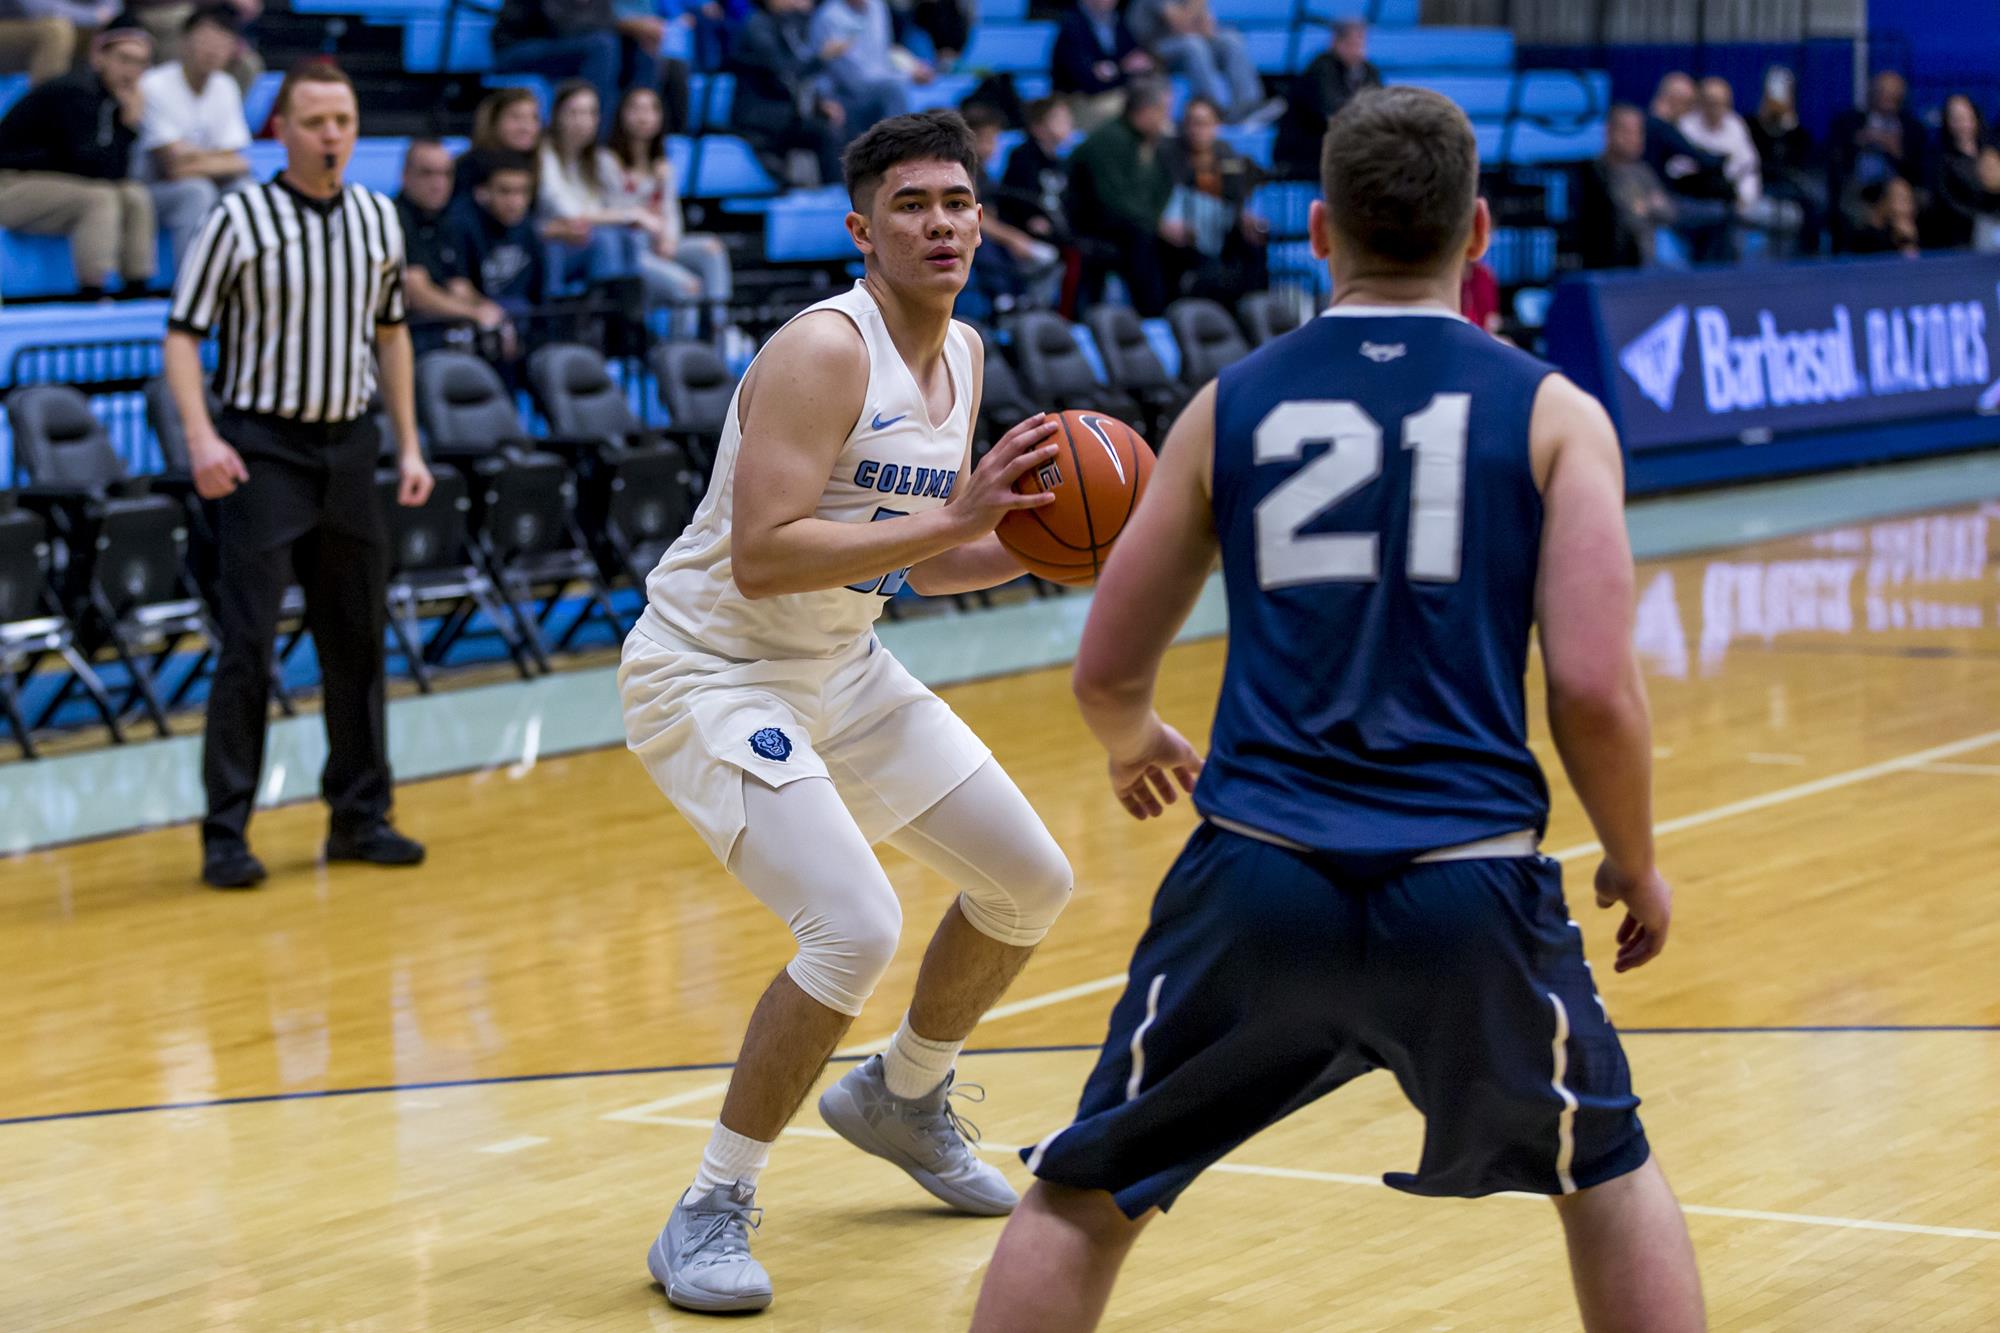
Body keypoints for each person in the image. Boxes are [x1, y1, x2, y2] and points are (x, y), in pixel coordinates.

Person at [968, 85, 1707, 1333]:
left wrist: (1133, 739)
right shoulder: (1552, 414)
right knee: (1604, 1176)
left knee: (1078, 1195)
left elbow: (1103, 669)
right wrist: (1633, 861)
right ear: (1477, 234)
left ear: (1316, 229)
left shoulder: (1229, 404)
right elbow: (1589, 686)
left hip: (1259, 879)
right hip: (1465, 883)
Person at [619, 108, 1076, 1314]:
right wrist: (965, 516)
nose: (941, 223)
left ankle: (903, 1094)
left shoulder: (963, 353)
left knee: (1030, 879)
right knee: (853, 927)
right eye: (913, 204)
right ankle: (709, 1206)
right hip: (710, 669)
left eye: (959, 202)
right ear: (860, 228)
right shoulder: (826, 349)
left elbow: (914, 563)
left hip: (842, 660)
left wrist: (1052, 551)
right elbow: (766, 555)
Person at [164, 61, 433, 890]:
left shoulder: (377, 218)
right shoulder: (238, 218)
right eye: (314, 121)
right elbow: (182, 336)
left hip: (349, 446)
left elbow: (391, 335)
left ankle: (360, 814)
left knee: (356, 637)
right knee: (248, 644)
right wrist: (202, 439)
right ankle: (224, 832)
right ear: (280, 129)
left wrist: (409, 445)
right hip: (262, 449)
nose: (331, 135)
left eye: (343, 119)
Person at [0, 27, 155, 300]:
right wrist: (129, 126)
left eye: (140, 63)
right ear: (99, 56)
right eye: (124, 59)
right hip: (11, 184)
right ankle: (92, 293)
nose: (131, 71)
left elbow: (116, 173)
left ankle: (137, 289)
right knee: (99, 198)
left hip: (53, 185)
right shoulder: (75, 91)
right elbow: (90, 166)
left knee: (134, 195)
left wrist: (128, 123)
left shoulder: (114, 98)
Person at [605, 84, 737, 337]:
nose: (644, 116)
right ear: (621, 115)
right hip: (630, 249)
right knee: (688, 287)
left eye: (651, 109)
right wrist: (650, 193)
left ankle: (719, 330)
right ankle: (680, 354)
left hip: (659, 244)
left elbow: (671, 214)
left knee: (712, 248)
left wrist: (668, 239)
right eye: (636, 109)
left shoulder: (663, 165)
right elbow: (613, 209)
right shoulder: (606, 161)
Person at [138, 7, 253, 280]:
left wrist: (195, 158)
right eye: (205, 41)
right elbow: (171, 167)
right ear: (184, 41)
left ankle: (246, 283)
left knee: (247, 190)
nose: (212, 51)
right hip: (151, 190)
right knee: (196, 192)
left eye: (222, 43)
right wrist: (217, 160)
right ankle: (191, 289)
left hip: (200, 180)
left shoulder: (225, 86)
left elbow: (238, 161)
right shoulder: (154, 84)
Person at [1065, 77, 1187, 316]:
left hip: (1134, 222)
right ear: (1145, 111)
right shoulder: (1109, 140)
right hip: (1095, 225)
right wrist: (1158, 223)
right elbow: (1112, 200)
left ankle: (1181, 313)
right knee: (1143, 238)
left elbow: (1158, 191)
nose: (1167, 118)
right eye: (1164, 110)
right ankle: (1153, 314)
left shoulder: (1150, 143)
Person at [396, 139, 513, 356]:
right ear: (405, 176)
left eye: (446, 174)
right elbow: (416, 292)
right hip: (410, 336)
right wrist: (474, 313)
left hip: (447, 334)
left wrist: (493, 313)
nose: (438, 183)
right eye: (427, 173)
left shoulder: (449, 219)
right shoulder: (394, 218)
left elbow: (459, 285)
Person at [1677, 75, 1801, 259]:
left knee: (1791, 216)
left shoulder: (1735, 125)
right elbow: (1680, 173)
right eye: (1710, 102)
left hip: (1741, 200)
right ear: (1700, 102)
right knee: (1728, 220)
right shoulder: (1686, 127)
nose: (1716, 108)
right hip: (1703, 202)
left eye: (1721, 103)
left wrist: (1745, 197)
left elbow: (1750, 168)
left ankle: (1773, 273)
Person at [726, 0, 846, 186]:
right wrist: (822, 58)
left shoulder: (785, 24)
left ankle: (836, 196)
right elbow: (784, 73)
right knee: (819, 135)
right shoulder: (757, 27)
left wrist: (818, 103)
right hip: (759, 122)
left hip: (783, 117)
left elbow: (794, 76)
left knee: (827, 130)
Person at [1161, 94, 1264, 305]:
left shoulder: (1227, 156)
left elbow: (1237, 195)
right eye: (1191, 123)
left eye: (1203, 123)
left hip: (1222, 229)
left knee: (1254, 243)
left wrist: (1245, 217)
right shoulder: (1168, 153)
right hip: (1181, 233)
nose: (1196, 130)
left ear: (1216, 125)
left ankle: (1255, 309)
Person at [490, 0, 660, 125]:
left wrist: (638, 32)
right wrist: (630, 25)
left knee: (642, 50)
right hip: (518, 48)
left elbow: (605, 21)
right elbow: (561, 26)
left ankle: (638, 145)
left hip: (565, 47)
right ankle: (597, 139)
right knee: (602, 47)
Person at [962, 100, 1060, 312]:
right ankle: (1003, 298)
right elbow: (977, 220)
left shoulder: (986, 175)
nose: (993, 146)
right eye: (986, 140)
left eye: (994, 139)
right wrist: (1013, 238)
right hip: (981, 243)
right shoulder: (962, 174)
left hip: (1000, 242)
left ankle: (1030, 305)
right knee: (981, 239)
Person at [1125, 0, 1265, 126]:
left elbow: (1208, 29)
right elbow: (1180, 26)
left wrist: (1199, 19)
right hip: (1152, 50)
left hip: (1184, 42)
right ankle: (1213, 111)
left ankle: (1247, 108)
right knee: (1193, 45)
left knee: (1231, 39)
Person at [1829, 70, 1926, 247]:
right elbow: (1836, 160)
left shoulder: (1912, 128)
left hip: (1899, 189)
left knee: (1899, 195)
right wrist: (1859, 142)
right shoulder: (1849, 123)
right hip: (1859, 189)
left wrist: (1896, 151)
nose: (1886, 98)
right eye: (1882, 92)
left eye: (1892, 94)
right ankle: (1905, 248)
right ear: (1871, 93)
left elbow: (1918, 171)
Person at [1273, 19, 1379, 181]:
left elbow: (1380, 107)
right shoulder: (1321, 68)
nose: (1359, 50)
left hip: (1343, 144)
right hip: (1306, 149)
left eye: (1361, 43)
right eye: (1352, 43)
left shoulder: (1369, 71)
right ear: (1336, 42)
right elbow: (1331, 112)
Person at [453, 149, 551, 317]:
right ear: (482, 192)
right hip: (480, 317)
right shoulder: (461, 225)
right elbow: (457, 287)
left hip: (523, 318)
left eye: (522, 191)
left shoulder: (527, 227)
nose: (515, 202)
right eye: (505, 191)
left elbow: (538, 294)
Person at [1576, 103, 1675, 269]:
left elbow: (1670, 213)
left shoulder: (1643, 171)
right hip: (1613, 264)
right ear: (1610, 132)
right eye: (1628, 132)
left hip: (1648, 262)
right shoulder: (1595, 173)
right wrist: (1649, 207)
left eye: (1639, 133)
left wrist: (1645, 208)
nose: (1635, 139)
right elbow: (1628, 218)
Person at [809, 0, 928, 135]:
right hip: (843, 93)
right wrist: (907, 76)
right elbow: (855, 80)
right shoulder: (829, 16)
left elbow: (886, 50)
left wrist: (912, 67)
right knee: (895, 89)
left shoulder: (878, 6)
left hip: (880, 82)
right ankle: (897, 149)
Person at [1748, 65, 1823, 255]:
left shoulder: (1799, 135)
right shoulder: (1749, 126)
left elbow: (1799, 168)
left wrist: (1784, 126)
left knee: (1802, 213)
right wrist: (1766, 122)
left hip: (1789, 194)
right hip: (1757, 191)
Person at [1051, 0, 1153, 132]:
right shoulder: (1071, 25)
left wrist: (1114, 70)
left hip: (1117, 93)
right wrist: (1122, 69)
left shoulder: (1117, 20)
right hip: (1078, 101)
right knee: (1129, 109)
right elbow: (1088, 81)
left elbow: (1136, 59)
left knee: (1152, 103)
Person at [1924, 93, 2000, 251]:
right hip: (1964, 235)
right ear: (1947, 122)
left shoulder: (1992, 151)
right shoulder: (1942, 161)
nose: (1962, 124)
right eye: (1956, 118)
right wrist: (1978, 220)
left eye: (1966, 117)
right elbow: (1947, 201)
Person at [453, 85, 543, 203]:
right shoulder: (469, 167)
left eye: (533, 118)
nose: (526, 127)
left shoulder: (535, 163)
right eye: (516, 117)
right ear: (494, 121)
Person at [0, 0, 96, 85]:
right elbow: (37, 8)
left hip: (73, 24)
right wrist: (95, 16)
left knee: (103, 44)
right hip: (9, 23)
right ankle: (46, 103)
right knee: (55, 32)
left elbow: (108, 8)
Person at [1849, 175, 1922, 258]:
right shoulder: (1864, 240)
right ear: (1883, 203)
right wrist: (1905, 242)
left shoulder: (1923, 232)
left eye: (1910, 200)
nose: (1909, 207)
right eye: (1902, 200)